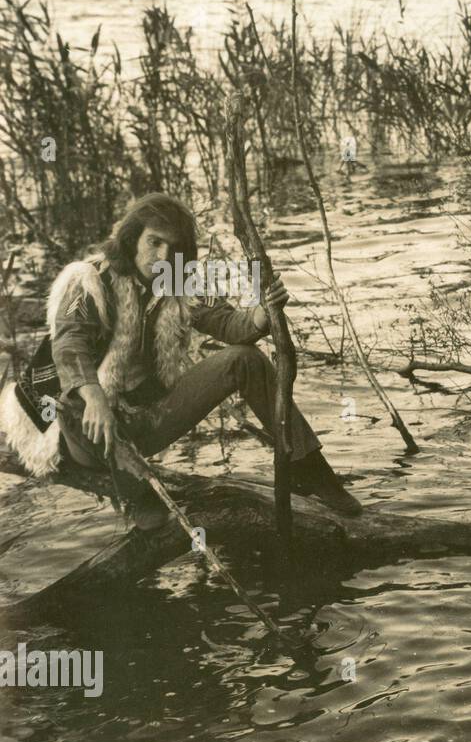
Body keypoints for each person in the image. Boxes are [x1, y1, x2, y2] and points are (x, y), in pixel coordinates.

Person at [0, 193, 361, 527]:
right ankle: (135, 492)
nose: (161, 255)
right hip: (83, 431)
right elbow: (69, 343)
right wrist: (93, 396)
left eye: (172, 248)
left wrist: (262, 315)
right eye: (153, 242)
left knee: (245, 359)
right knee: (75, 402)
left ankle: (308, 467)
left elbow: (231, 326)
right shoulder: (90, 278)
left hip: (147, 418)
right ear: (131, 238)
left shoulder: (179, 281)